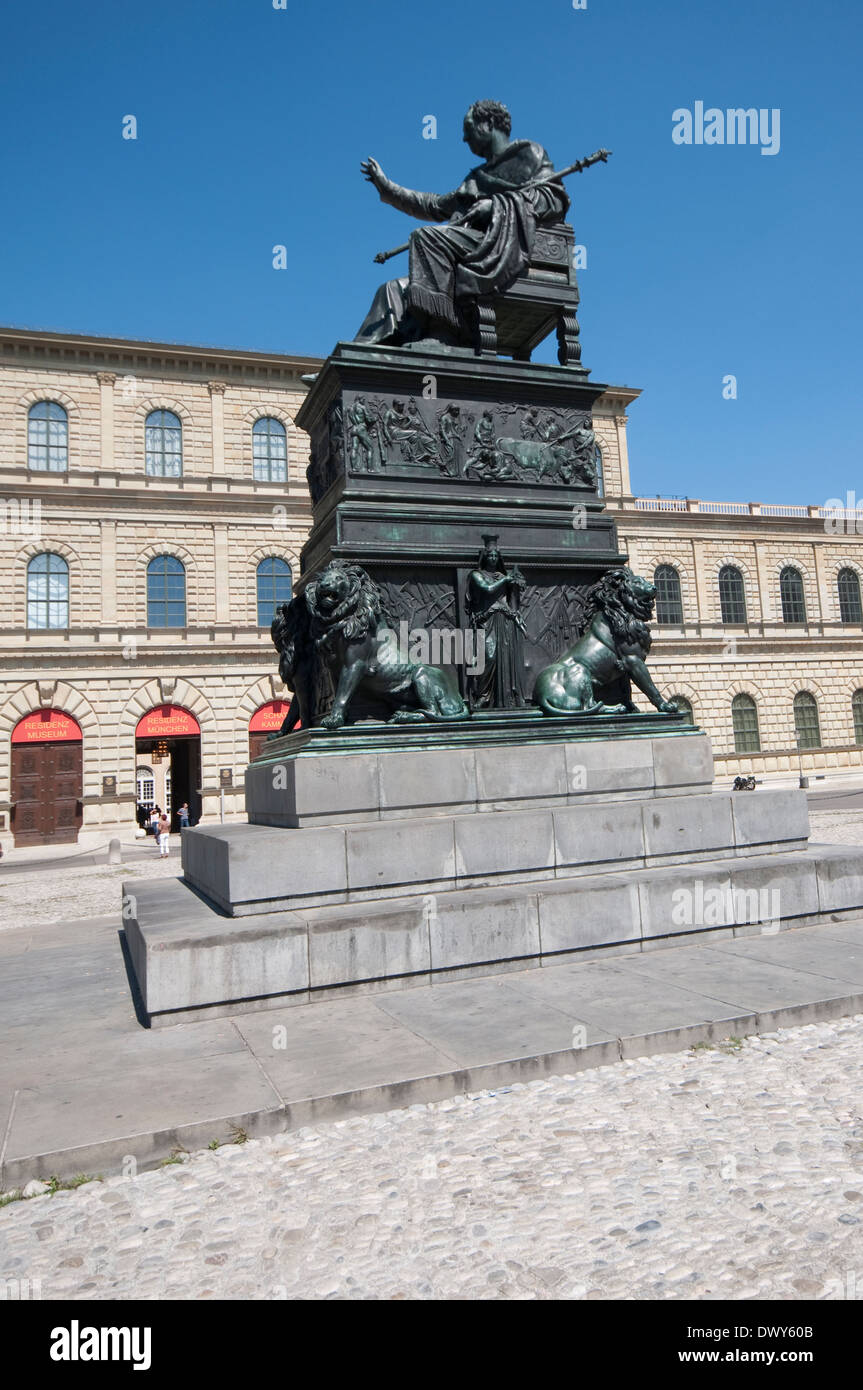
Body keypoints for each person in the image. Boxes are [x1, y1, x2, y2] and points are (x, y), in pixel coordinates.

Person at [358, 100, 568, 348]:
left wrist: (496, 206)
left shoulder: (528, 154)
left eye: (468, 129)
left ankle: (442, 331)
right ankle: (356, 362)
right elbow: (433, 205)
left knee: (426, 237)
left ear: (488, 123)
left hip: (500, 245)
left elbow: (553, 199)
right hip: (467, 254)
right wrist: (388, 188)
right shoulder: (475, 178)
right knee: (392, 289)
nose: (464, 139)